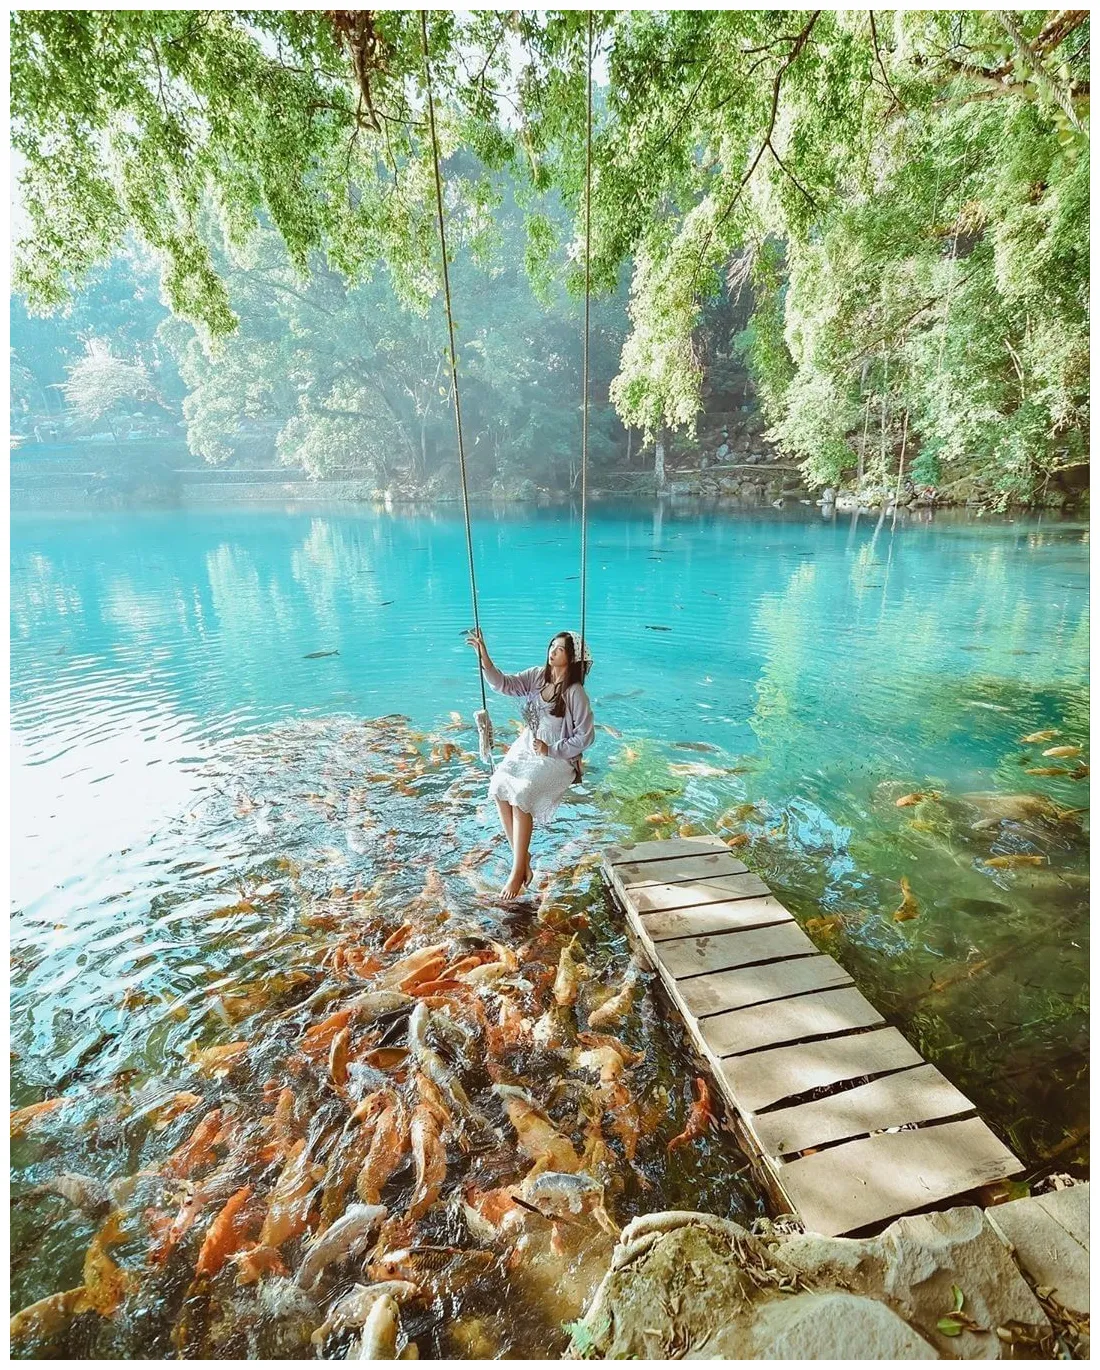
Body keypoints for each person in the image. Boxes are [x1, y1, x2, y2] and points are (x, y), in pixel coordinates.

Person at [465, 628, 595, 900]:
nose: (552, 651)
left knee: (522, 795)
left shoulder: (575, 693)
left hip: (558, 756)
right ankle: (522, 860)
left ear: (572, 658)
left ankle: (516, 872)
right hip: (528, 745)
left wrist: (552, 749)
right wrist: (484, 658)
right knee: (498, 785)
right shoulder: (537, 676)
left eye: (560, 649)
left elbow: (585, 736)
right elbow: (504, 684)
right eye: (552, 646)